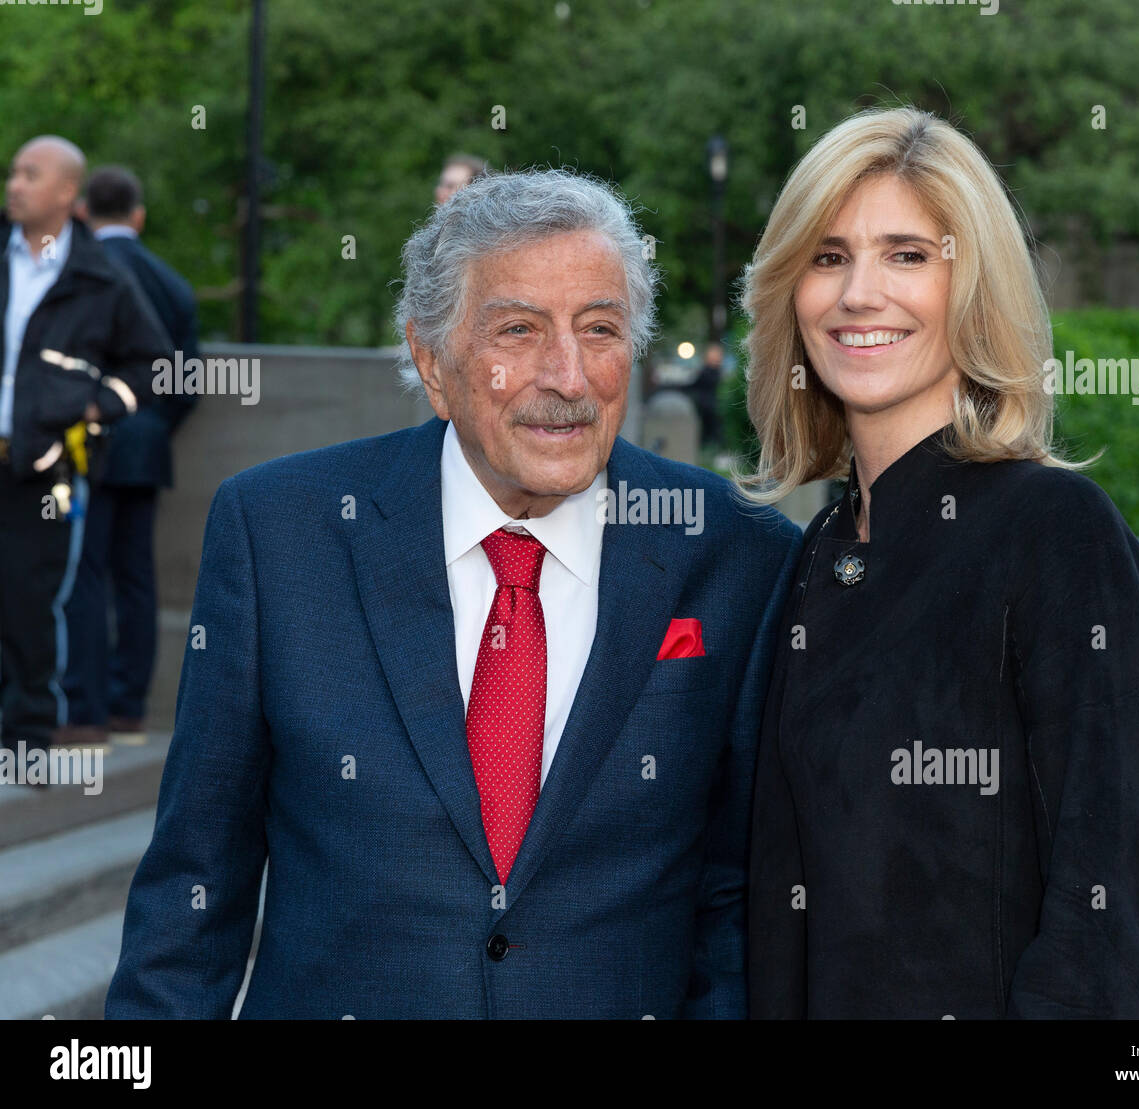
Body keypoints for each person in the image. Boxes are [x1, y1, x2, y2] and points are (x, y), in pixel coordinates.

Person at [106, 168, 803, 1019]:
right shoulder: (280, 531)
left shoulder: (738, 554)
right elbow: (193, 886)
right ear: (432, 362)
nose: (570, 376)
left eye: (600, 329)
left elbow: (737, 904)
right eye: (519, 329)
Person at [742, 107, 1139, 1018]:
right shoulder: (818, 550)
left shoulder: (1056, 530)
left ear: (972, 285)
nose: (860, 293)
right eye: (828, 256)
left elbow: (1100, 916)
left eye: (907, 254)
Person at [0, 136, 167, 766]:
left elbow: (156, 365)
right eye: (14, 171)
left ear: (68, 193)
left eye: (30, 174)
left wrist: (98, 405)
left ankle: (24, 743)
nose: (15, 184)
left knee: (29, 600)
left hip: (43, 467)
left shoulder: (101, 277)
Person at [63, 166, 201, 742]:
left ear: (83, 212)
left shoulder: (81, 273)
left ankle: (84, 711)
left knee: (84, 575)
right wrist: (150, 429)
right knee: (135, 575)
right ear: (138, 215)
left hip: (85, 444)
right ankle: (128, 711)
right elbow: (186, 379)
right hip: (143, 446)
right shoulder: (171, 282)